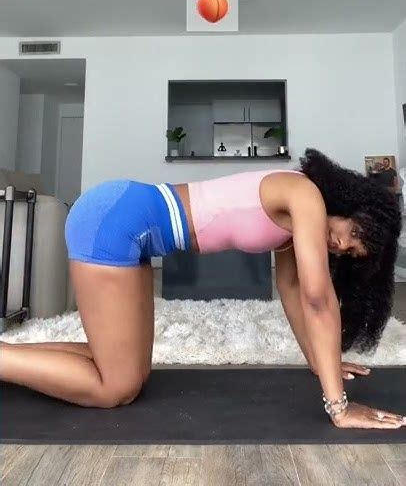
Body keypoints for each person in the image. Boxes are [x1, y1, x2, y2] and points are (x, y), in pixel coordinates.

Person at [0, 148, 405, 431]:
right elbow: (318, 299)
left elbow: (293, 287)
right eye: (353, 232)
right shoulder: (306, 196)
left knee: (132, 375)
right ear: (352, 203)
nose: (340, 244)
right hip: (115, 221)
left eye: (350, 251)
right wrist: (339, 408)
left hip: (132, 225)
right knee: (115, 388)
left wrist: (321, 361)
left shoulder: (297, 217)